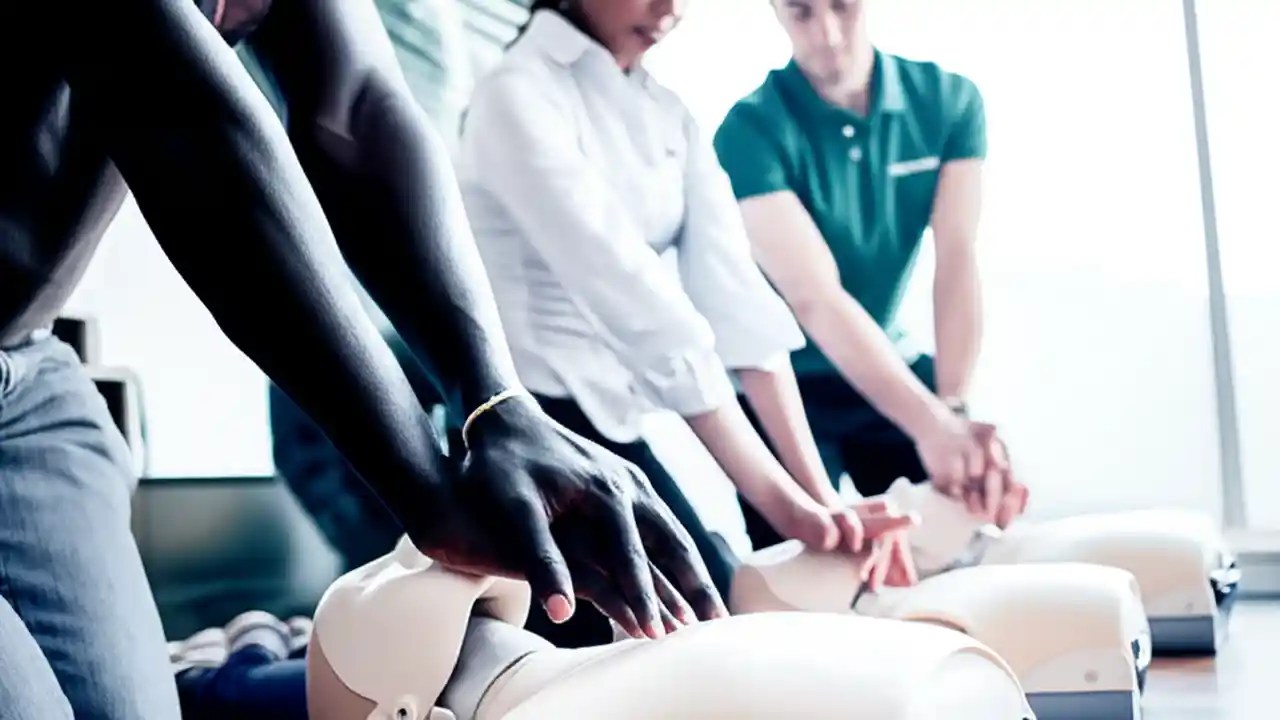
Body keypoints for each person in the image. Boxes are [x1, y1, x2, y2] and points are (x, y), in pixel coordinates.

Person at [0, 1, 723, 716]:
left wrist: (496, 405)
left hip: (30, 391)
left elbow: (358, 111)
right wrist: (431, 498)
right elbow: (181, 113)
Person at [455, 0, 922, 648]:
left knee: (718, 614)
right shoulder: (516, 95)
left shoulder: (666, 112)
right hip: (532, 434)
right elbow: (638, 303)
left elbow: (739, 308)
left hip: (614, 425)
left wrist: (822, 504)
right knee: (693, 632)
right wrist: (785, 508)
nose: (671, 8)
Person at [712, 0, 1015, 550]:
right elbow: (815, 297)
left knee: (959, 537)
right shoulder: (747, 131)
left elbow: (956, 257)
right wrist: (931, 426)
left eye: (842, 7)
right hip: (786, 385)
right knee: (809, 566)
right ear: (777, 11)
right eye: (802, 13)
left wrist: (951, 411)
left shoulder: (949, 102)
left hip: (889, 368)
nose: (827, 33)